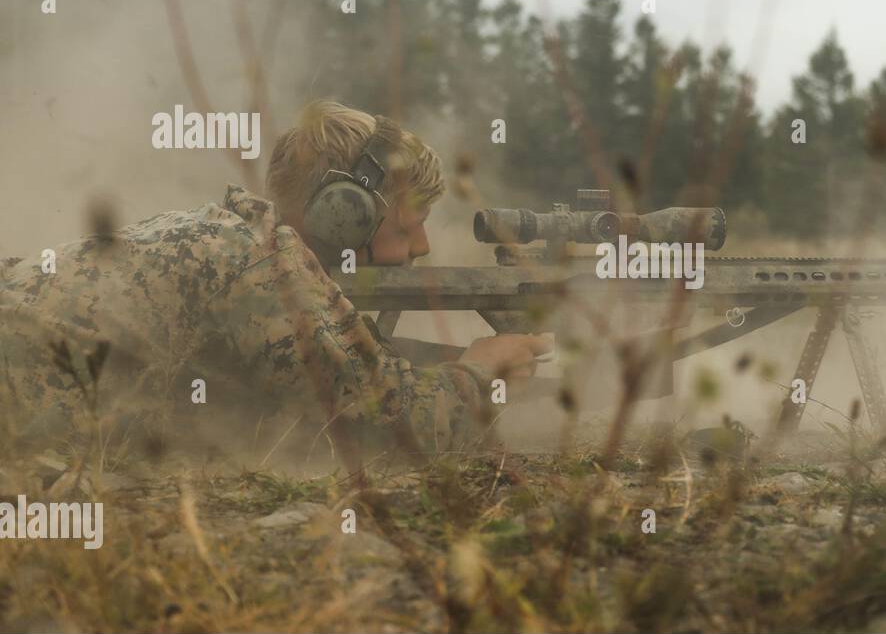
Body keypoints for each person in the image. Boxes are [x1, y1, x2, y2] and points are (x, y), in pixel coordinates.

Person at [0, 100, 549, 467]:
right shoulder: (258, 266)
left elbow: (293, 398)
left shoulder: (227, 236)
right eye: (410, 223)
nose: (422, 247)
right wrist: (480, 372)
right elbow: (396, 431)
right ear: (345, 212)